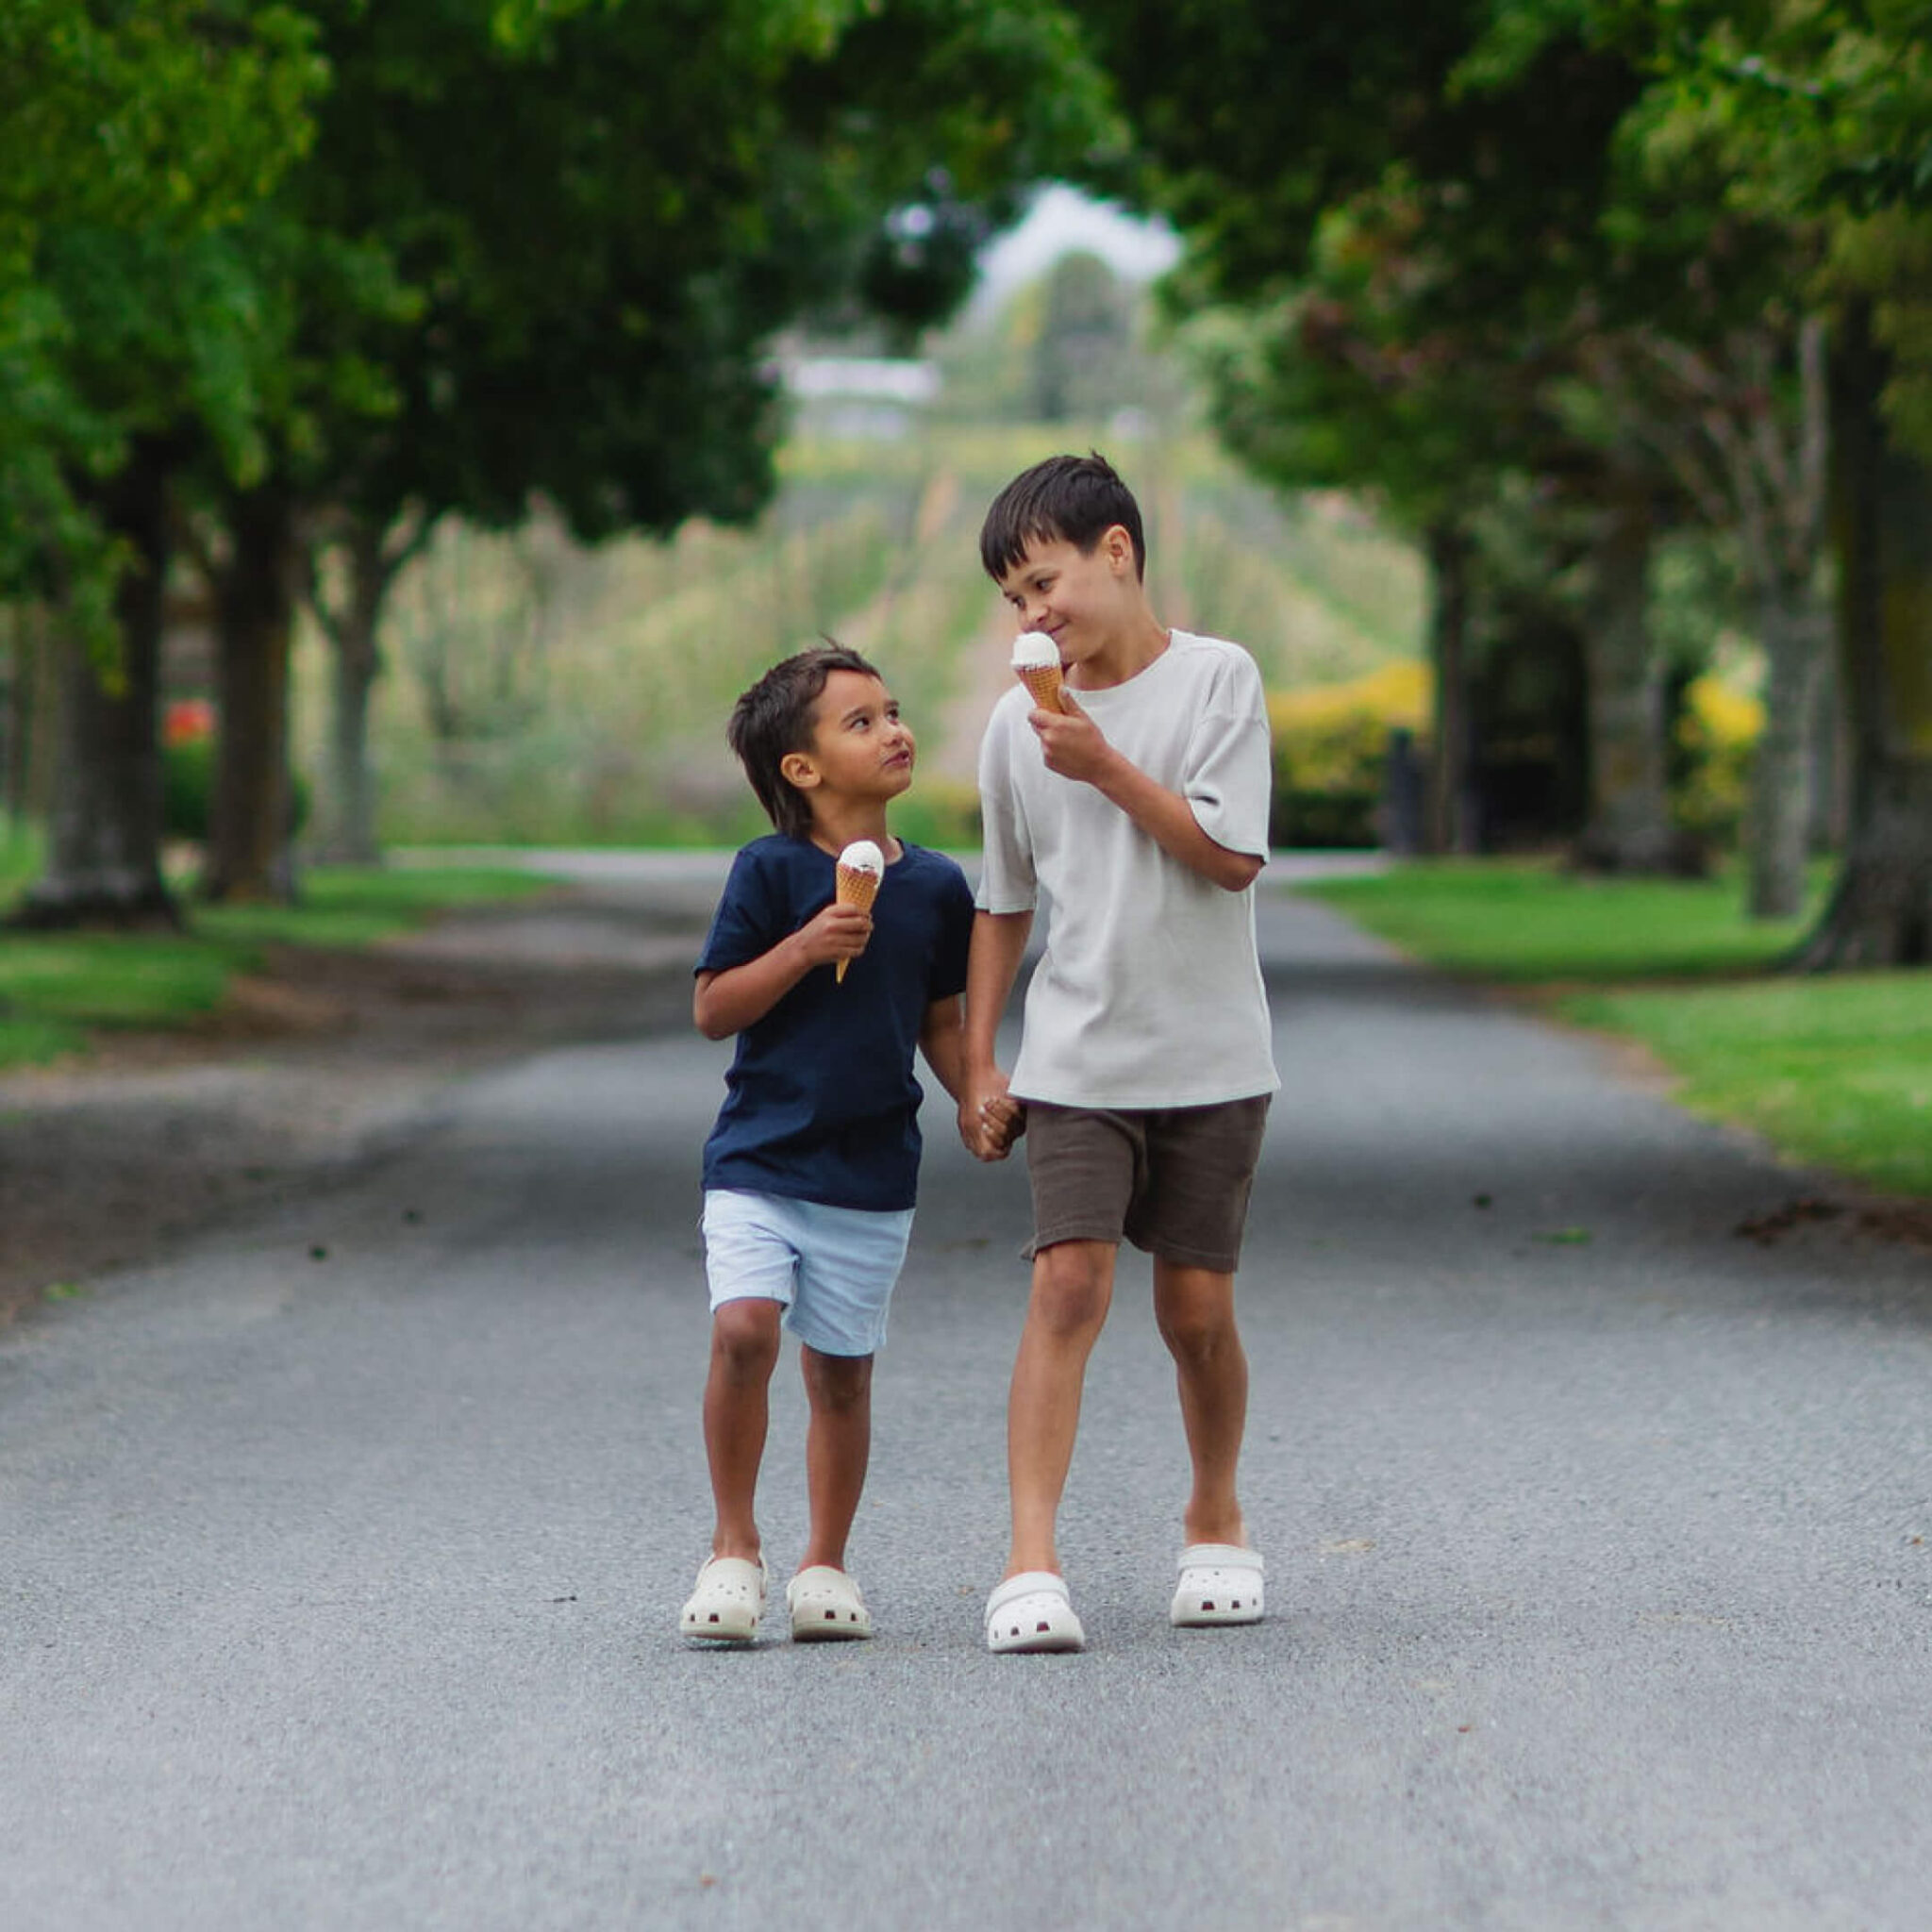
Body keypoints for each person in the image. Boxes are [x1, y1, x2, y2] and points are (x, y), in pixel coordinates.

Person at [960, 452, 1278, 1655]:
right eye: (1012, 601)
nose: (1032, 616)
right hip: (1075, 1055)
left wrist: (1101, 763)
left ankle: (1215, 1516)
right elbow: (1004, 900)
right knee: (1066, 1283)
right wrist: (983, 1064)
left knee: (1194, 1310)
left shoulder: (1217, 681)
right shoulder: (1011, 722)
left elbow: (1228, 855)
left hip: (1211, 1053)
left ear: (1118, 553)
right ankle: (1027, 1559)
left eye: (1043, 582)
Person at [680, 643, 999, 1645]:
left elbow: (941, 1021)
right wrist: (802, 946)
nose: (893, 729)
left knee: (842, 1371)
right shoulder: (768, 870)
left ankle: (826, 1562)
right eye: (860, 721)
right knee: (743, 1330)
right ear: (801, 769)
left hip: (869, 1173)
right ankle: (734, 1546)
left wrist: (974, 1095)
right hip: (759, 1159)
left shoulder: (939, 885)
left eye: (893, 712)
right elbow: (712, 1007)